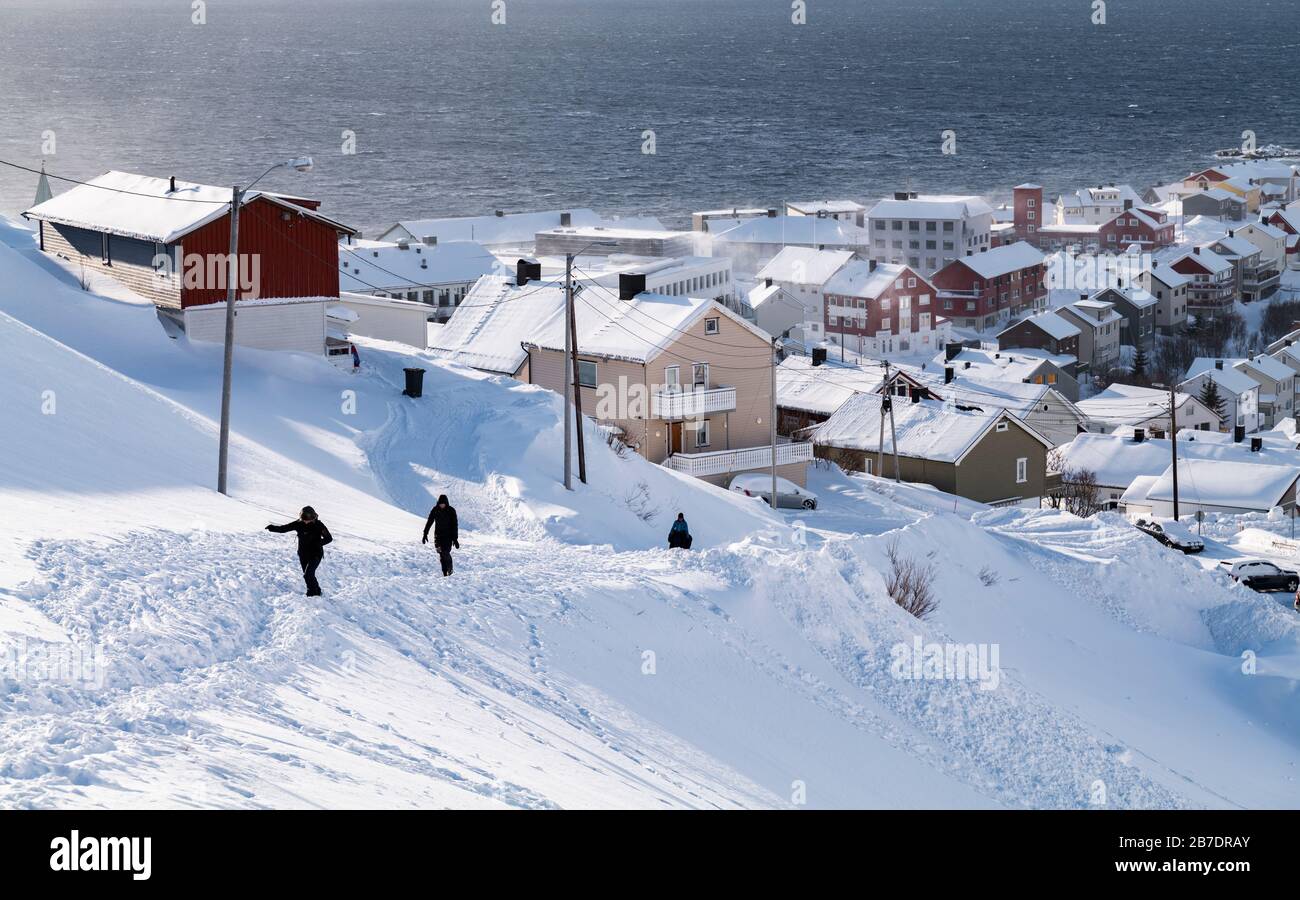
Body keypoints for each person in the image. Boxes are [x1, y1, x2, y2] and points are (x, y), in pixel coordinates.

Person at [266, 506, 333, 596]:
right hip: (303, 554)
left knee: (308, 575)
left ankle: (312, 594)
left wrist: (317, 543)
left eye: (308, 519)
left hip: (316, 553)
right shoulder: (298, 524)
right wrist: (273, 528)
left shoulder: (319, 525)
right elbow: (284, 528)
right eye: (304, 519)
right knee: (308, 574)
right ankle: (317, 591)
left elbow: (329, 538)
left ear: (313, 517)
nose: (305, 521)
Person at [422, 494, 460, 576]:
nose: (442, 505)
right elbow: (429, 522)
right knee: (441, 554)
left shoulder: (451, 511)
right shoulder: (435, 510)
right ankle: (445, 573)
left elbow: (455, 525)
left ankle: (450, 569)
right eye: (440, 503)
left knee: (446, 552)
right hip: (438, 537)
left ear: (446, 503)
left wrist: (455, 539)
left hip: (448, 536)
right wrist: (425, 533)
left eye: (443, 503)